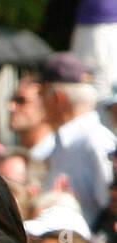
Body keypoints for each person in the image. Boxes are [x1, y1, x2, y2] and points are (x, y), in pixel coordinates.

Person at [41, 51, 117, 226]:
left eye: (41, 94)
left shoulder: (96, 141)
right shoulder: (63, 141)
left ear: (56, 98)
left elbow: (109, 208)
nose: (41, 102)